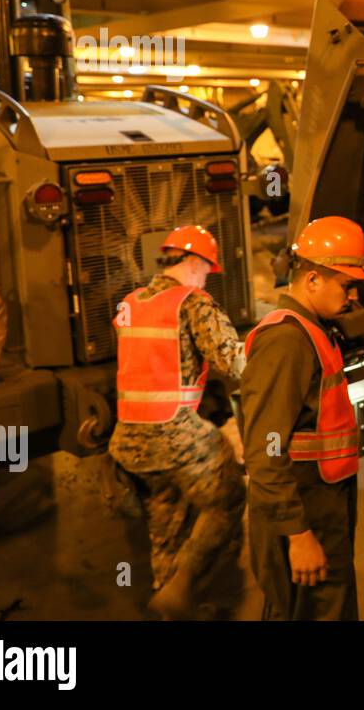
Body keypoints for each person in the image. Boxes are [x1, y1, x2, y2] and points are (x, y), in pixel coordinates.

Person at [109, 224, 246, 618]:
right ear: (192, 262)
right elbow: (232, 361)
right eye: (205, 270)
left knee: (165, 523)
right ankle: (182, 586)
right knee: (229, 496)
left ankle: (170, 603)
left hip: (129, 445)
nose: (206, 279)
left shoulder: (131, 302)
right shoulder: (192, 303)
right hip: (175, 435)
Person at [240, 215, 364, 620]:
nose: (353, 297)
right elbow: (263, 451)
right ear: (312, 280)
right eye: (347, 285)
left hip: (321, 505)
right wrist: (297, 534)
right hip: (301, 513)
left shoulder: (315, 330)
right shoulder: (286, 341)